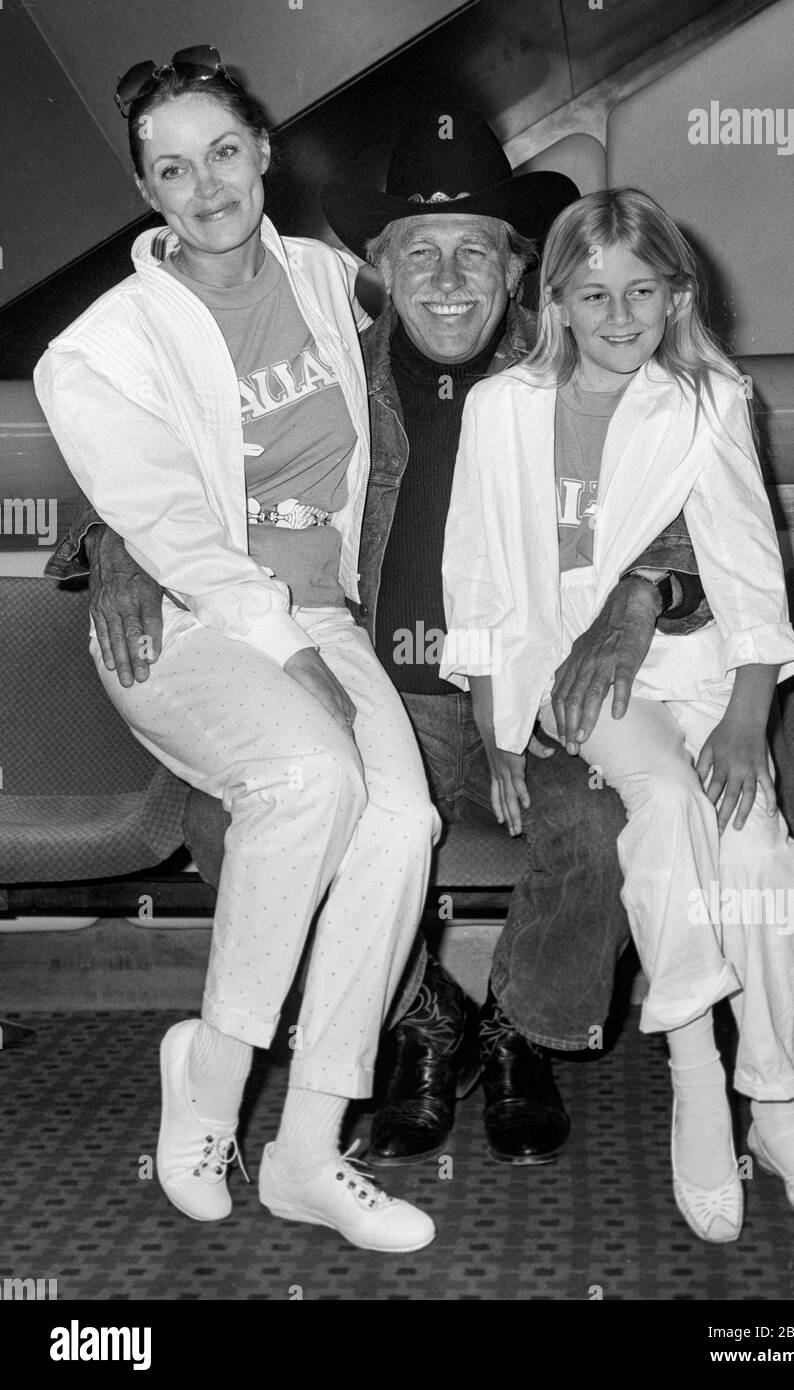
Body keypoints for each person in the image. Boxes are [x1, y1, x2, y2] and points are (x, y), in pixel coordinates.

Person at [48, 111, 710, 1168]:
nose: (448, 278)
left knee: (597, 824)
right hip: (362, 686)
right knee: (235, 834)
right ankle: (424, 1014)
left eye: (476, 251)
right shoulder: (330, 371)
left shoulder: (579, 377)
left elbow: (684, 500)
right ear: (381, 269)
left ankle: (521, 1027)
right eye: (419, 253)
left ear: (515, 265)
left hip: (523, 701)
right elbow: (192, 460)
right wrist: (111, 540)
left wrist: (640, 593)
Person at [35, 47, 441, 1253]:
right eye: (172, 169)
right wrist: (285, 647)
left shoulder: (328, 280)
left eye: (222, 152)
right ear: (149, 195)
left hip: (319, 610)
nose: (205, 185)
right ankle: (210, 1084)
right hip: (184, 620)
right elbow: (165, 525)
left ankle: (307, 1150)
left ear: (263, 150)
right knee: (308, 775)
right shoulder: (98, 350)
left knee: (400, 821)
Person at [440, 188, 794, 1240]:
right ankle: (697, 1080)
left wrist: (746, 718)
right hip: (582, 680)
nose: (618, 315)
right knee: (663, 809)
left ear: (675, 293)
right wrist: (497, 728)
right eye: (593, 293)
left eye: (641, 290)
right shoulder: (502, 408)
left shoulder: (708, 395)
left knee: (760, 857)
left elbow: (747, 566)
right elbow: (479, 576)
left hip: (704, 668)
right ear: (558, 301)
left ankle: (776, 1106)